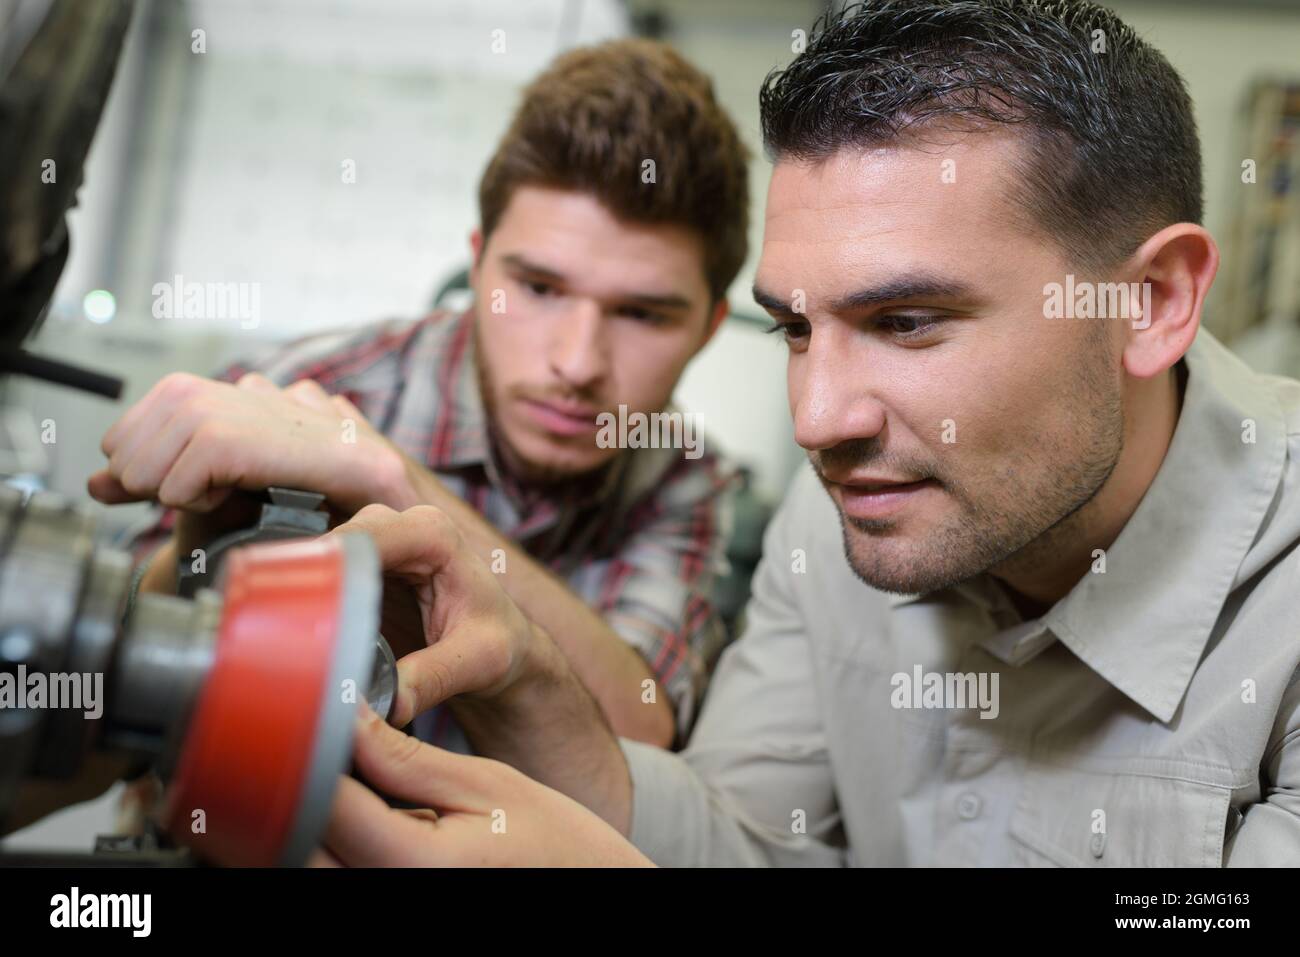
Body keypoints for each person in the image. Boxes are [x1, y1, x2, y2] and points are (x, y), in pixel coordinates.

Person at [294, 0, 1300, 867]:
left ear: (1149, 303)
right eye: (793, 328)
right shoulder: (851, 516)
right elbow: (744, 841)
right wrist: (523, 679)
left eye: (906, 323)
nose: (818, 423)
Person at [90, 38, 750, 749]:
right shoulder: (298, 395)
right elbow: (86, 722)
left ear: (710, 327)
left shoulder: (680, 476)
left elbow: (637, 738)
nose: (578, 362)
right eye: (537, 288)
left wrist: (397, 484)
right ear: (476, 264)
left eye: (643, 314)